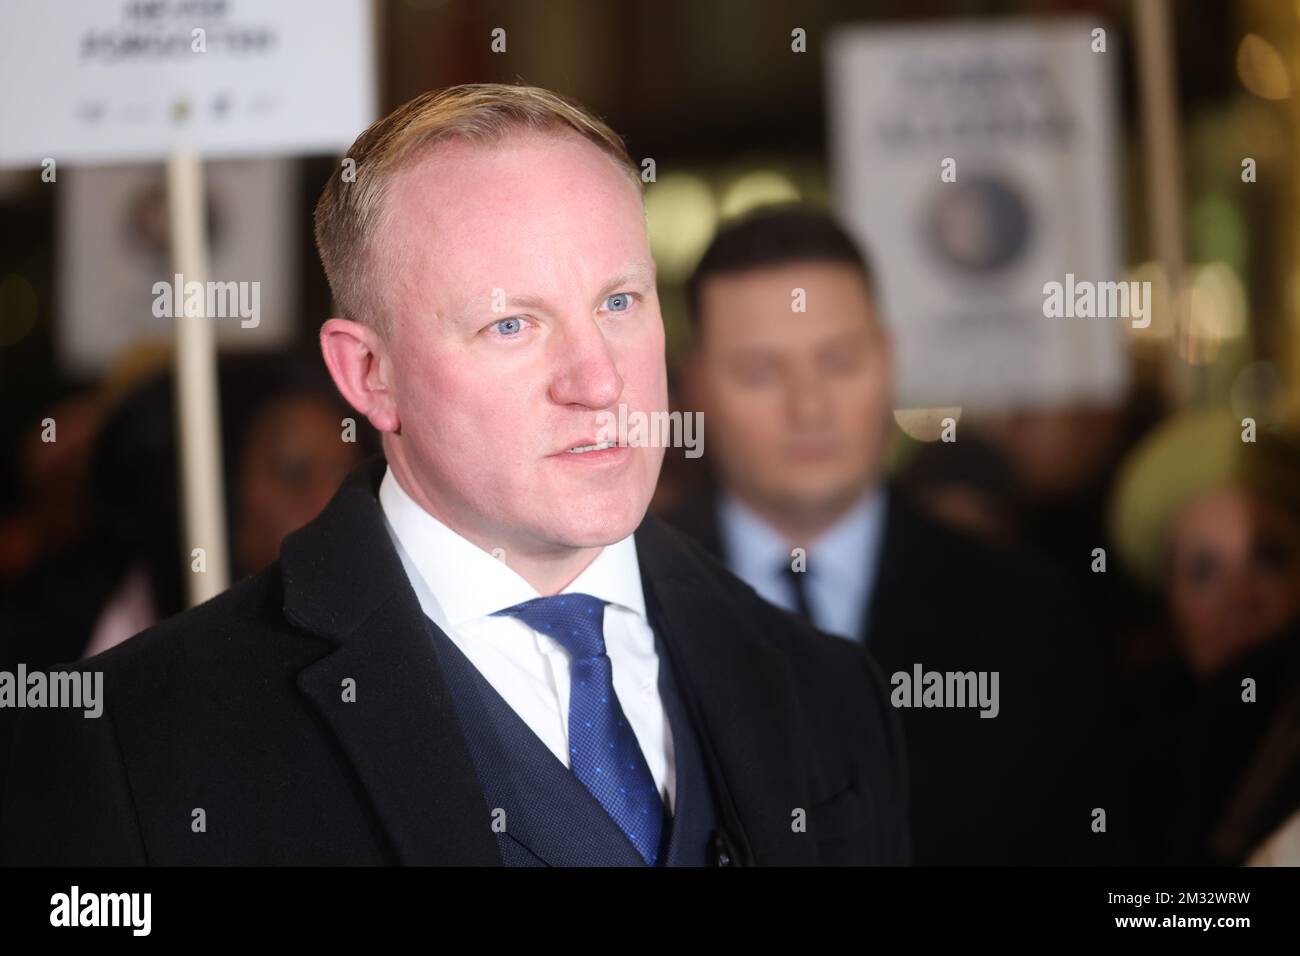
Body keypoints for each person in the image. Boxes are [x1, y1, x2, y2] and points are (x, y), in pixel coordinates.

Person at [0, 85, 907, 867]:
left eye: (619, 303)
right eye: (512, 324)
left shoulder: (824, 689)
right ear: (370, 376)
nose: (599, 382)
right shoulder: (138, 740)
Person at [669, 204, 1118, 865]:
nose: (809, 408)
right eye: (761, 372)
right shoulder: (631, 602)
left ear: (887, 359)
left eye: (840, 362)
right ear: (696, 387)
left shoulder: (1026, 612)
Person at [1110, 409, 1300, 864]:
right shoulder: (1135, 747)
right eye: (1204, 571)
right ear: (1169, 600)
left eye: (1268, 560)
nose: (1240, 597)